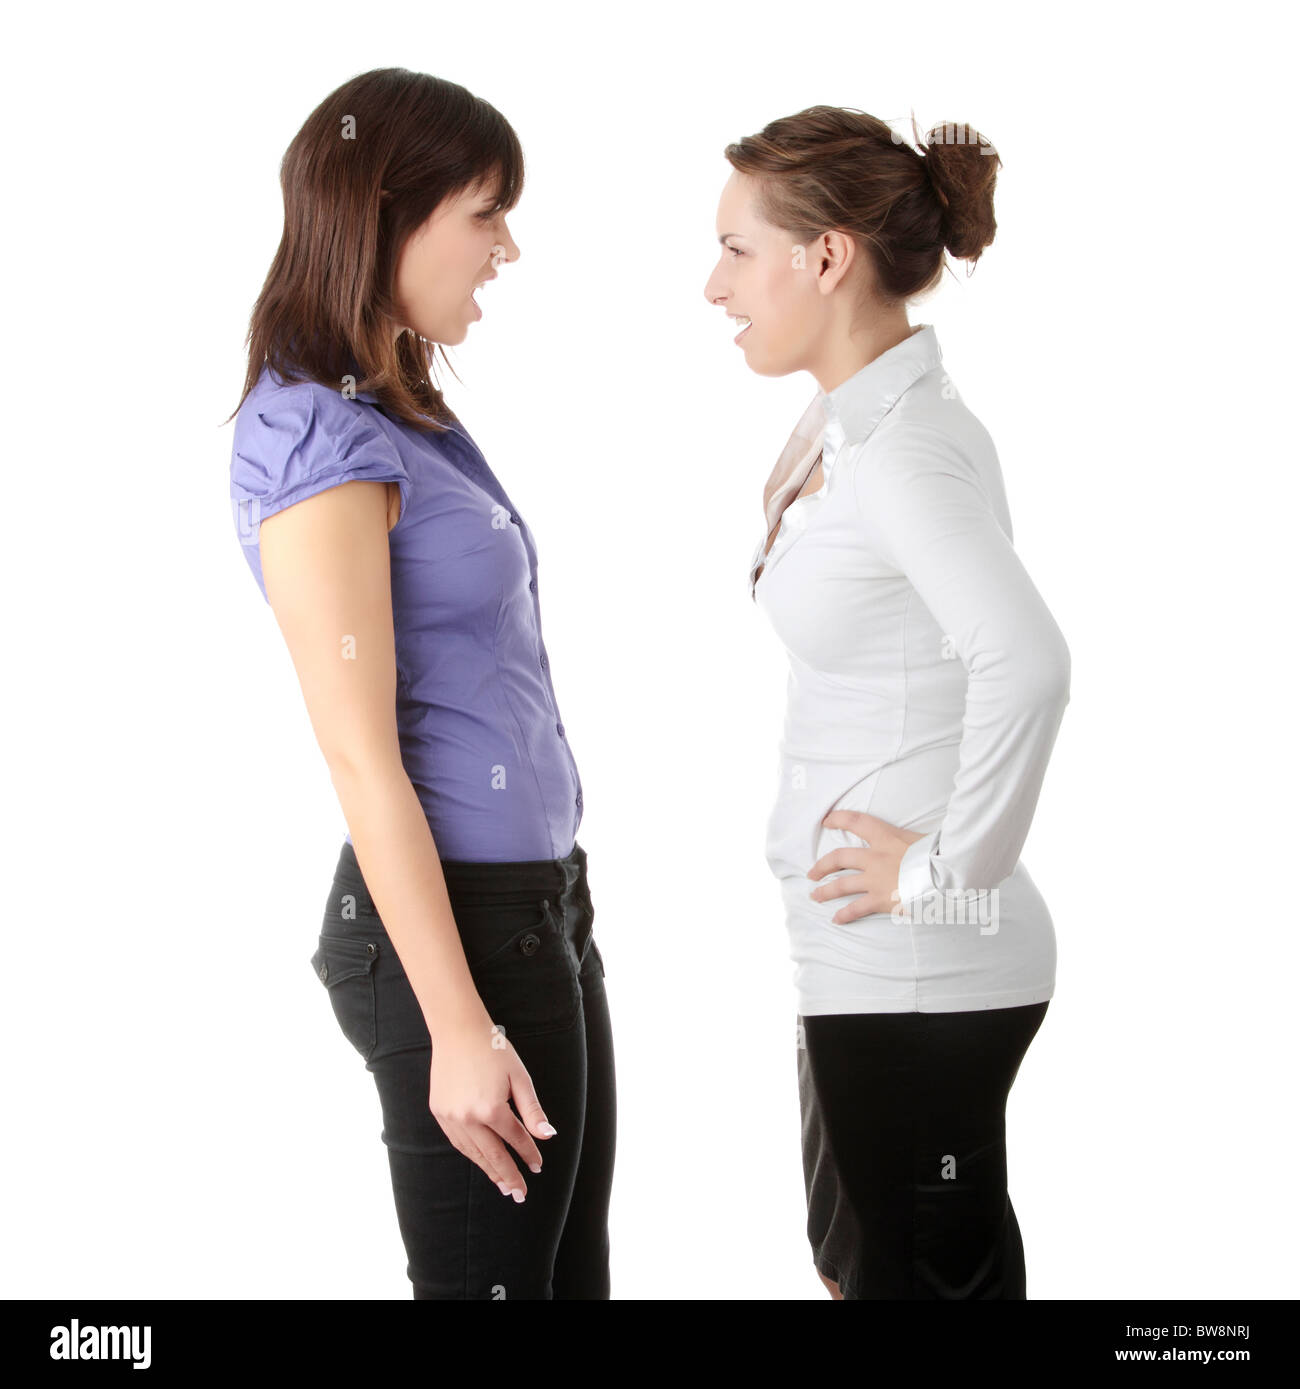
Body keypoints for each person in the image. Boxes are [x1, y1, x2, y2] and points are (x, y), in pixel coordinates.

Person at [224, 67, 615, 1300]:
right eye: (485, 212)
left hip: (542, 905)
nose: (506, 247)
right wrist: (456, 1026)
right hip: (454, 927)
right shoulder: (312, 434)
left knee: (567, 1282)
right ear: (389, 214)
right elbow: (358, 755)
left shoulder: (407, 413)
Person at [704, 107, 1070, 1299]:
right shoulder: (860, 426)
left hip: (916, 970)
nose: (715, 284)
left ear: (826, 257)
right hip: (879, 977)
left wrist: (942, 872)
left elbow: (1028, 659)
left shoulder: (903, 449)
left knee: (907, 1281)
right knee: (884, 1270)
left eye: (737, 249)